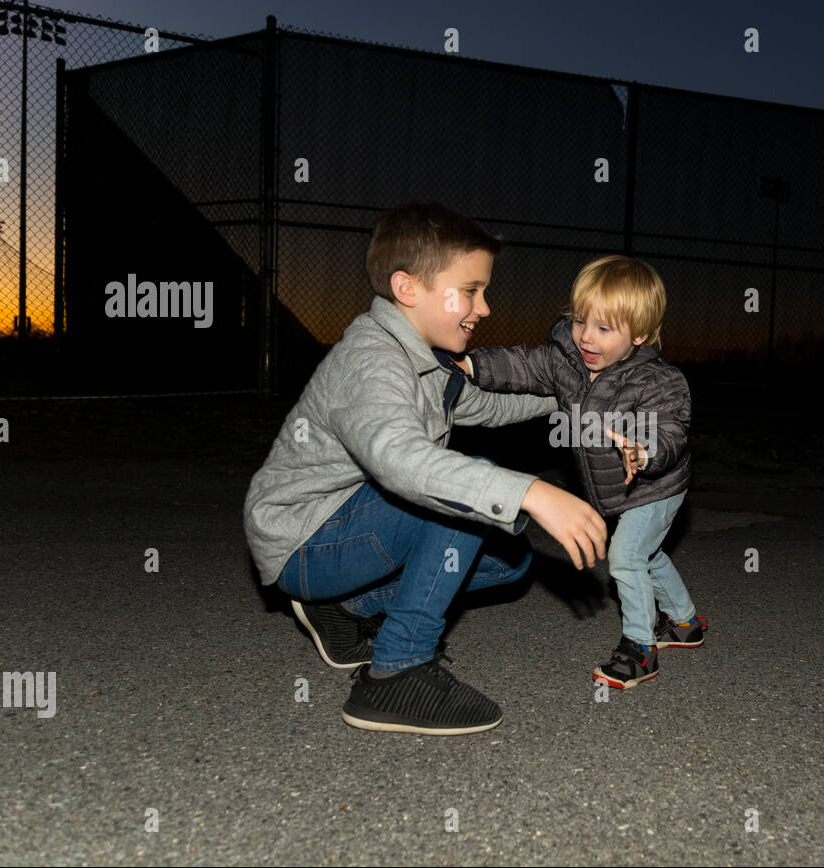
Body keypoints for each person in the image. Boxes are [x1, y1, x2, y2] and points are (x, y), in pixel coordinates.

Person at [243, 202, 607, 734]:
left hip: (341, 533)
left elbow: (487, 406)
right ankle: (397, 671)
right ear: (408, 289)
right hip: (302, 539)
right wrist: (532, 490)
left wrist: (575, 395)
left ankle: (348, 608)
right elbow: (404, 463)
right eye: (472, 289)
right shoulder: (372, 361)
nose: (483, 307)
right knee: (463, 500)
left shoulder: (425, 360)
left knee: (510, 559)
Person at [456, 255, 708, 689]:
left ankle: (640, 649)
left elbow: (670, 429)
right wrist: (470, 365)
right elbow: (521, 365)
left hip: (658, 483)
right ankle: (685, 623)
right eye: (579, 322)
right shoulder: (567, 361)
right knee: (646, 553)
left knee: (626, 556)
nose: (586, 338)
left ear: (640, 334)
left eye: (604, 329)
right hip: (620, 491)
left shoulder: (658, 381)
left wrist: (644, 451)